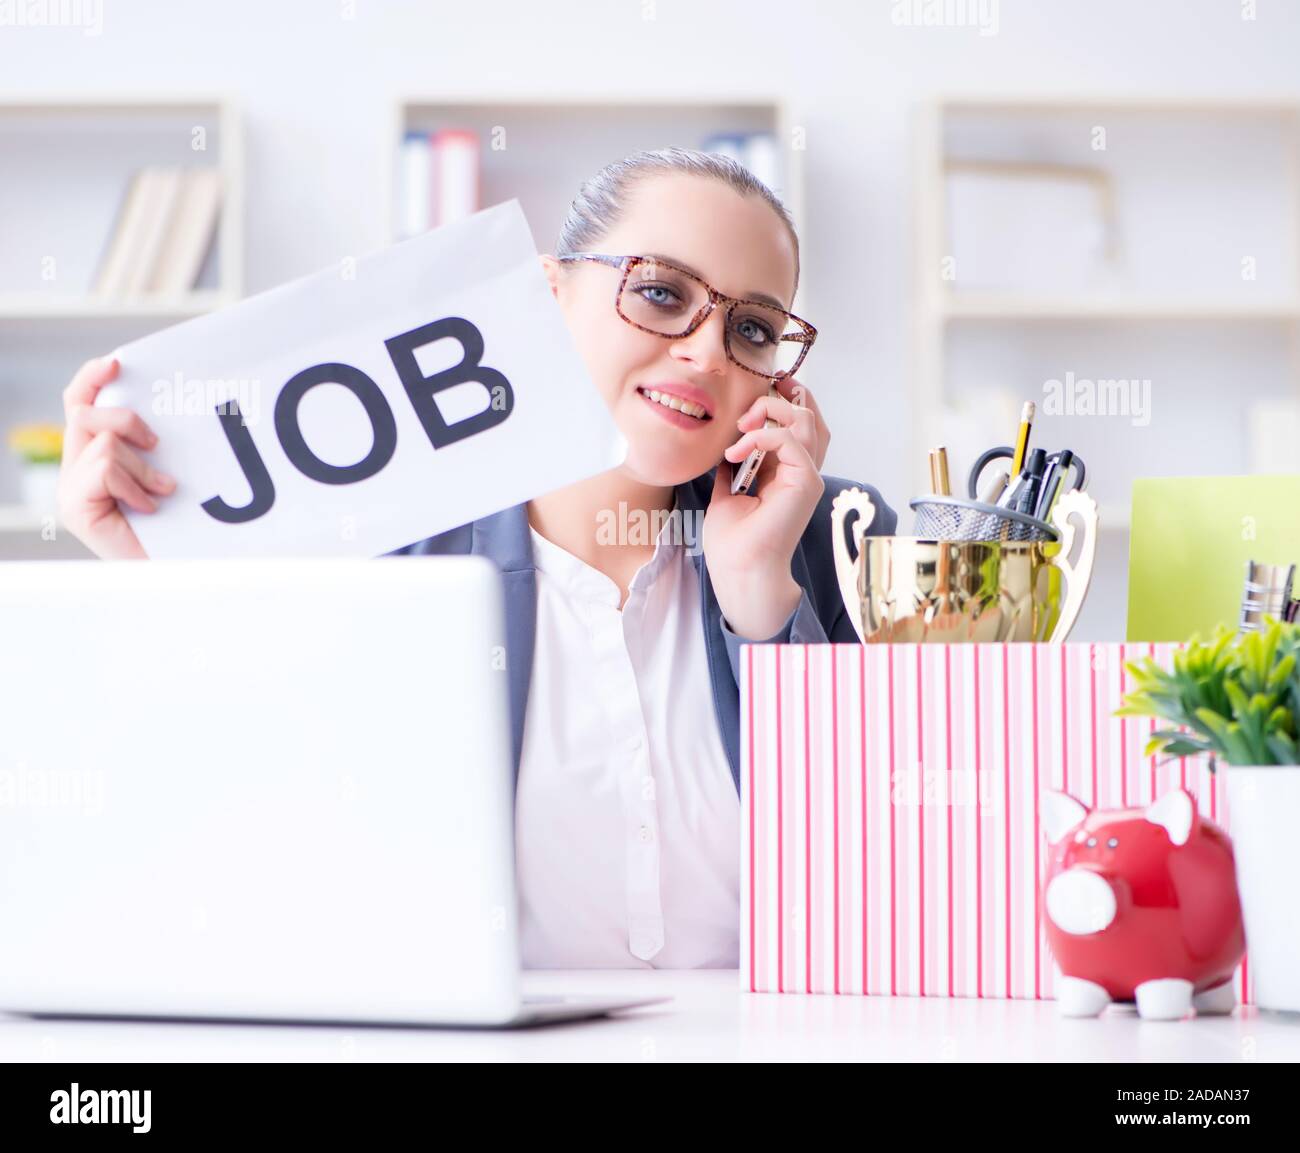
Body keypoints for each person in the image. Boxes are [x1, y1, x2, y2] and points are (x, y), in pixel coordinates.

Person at [56, 146, 896, 969]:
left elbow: (893, 877)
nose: (706, 352)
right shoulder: (383, 549)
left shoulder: (842, 541)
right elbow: (242, 831)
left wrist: (759, 596)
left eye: (752, 328)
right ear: (546, 294)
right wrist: (151, 570)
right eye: (659, 291)